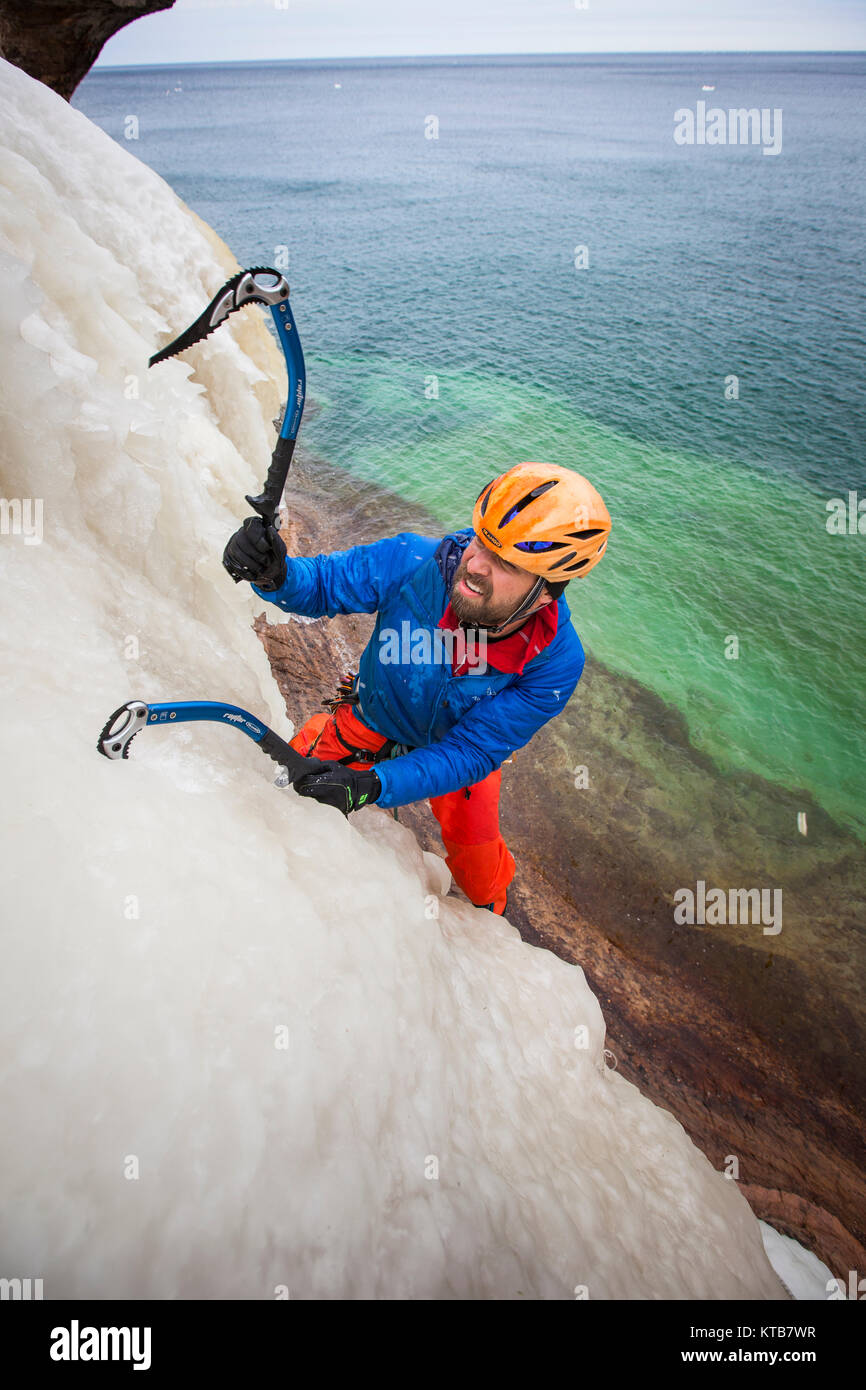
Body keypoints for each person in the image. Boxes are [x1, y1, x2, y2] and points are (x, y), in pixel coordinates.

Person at [223, 462, 611, 915]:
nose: (476, 562)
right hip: (371, 718)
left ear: (547, 592)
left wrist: (374, 784)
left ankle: (488, 920)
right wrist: (273, 573)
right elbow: (324, 585)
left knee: (481, 876)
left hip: (456, 753)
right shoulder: (412, 562)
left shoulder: (556, 661)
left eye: (505, 562)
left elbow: (471, 753)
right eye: (483, 539)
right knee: (289, 790)